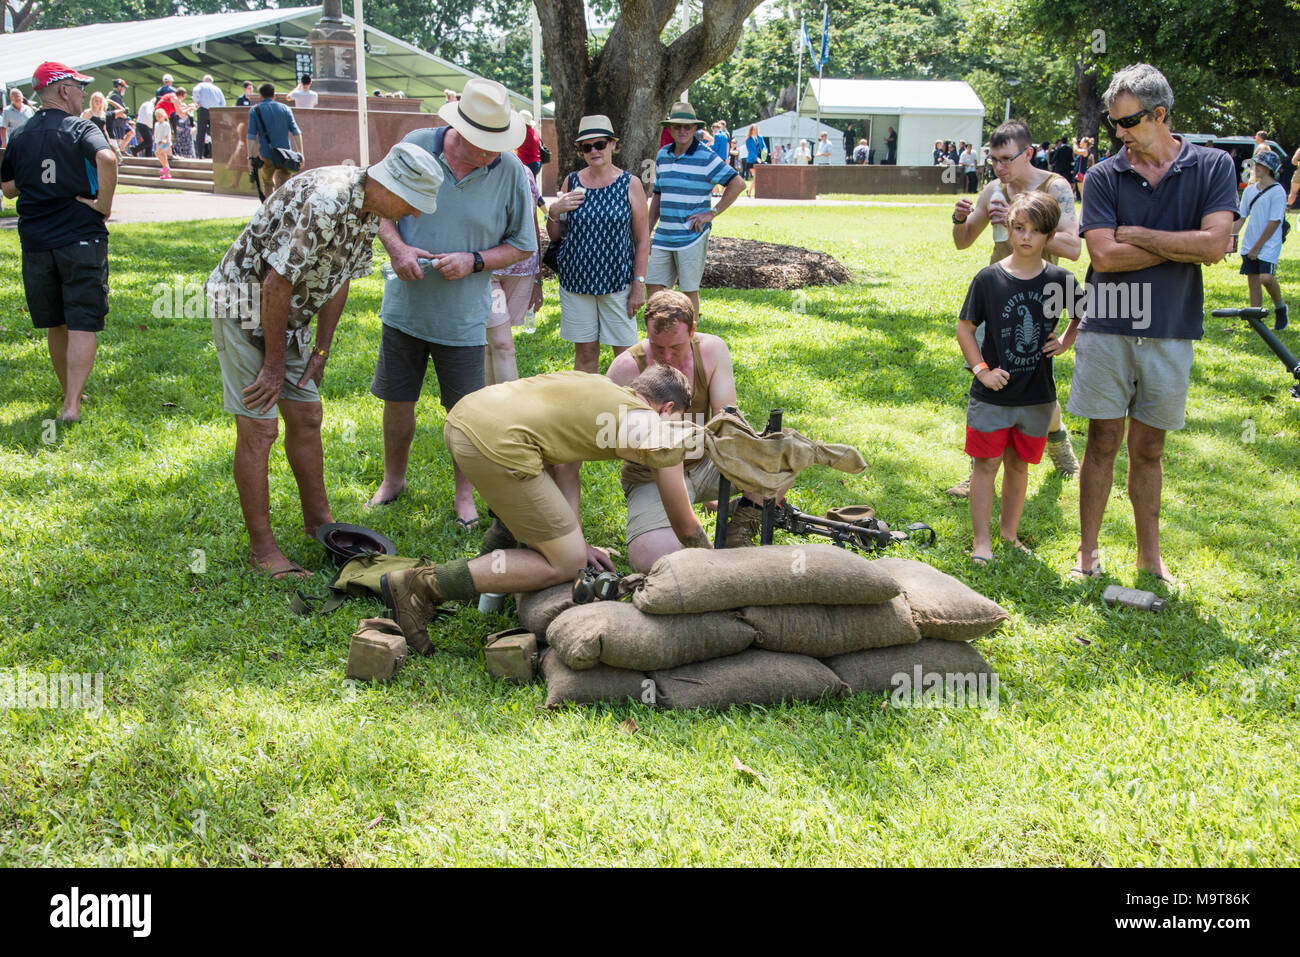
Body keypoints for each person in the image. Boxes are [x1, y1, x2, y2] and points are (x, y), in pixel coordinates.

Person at [205, 142, 443, 578]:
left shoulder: (371, 208)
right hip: (242, 302)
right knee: (260, 426)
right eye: (413, 202)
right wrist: (273, 367)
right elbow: (275, 284)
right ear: (390, 185)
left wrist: (320, 349)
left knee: (308, 415)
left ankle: (319, 524)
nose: (415, 214)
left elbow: (340, 280)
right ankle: (264, 551)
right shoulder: (327, 200)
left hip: (287, 314)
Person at [380, 365, 704, 650]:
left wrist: (578, 536)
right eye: (676, 420)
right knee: (567, 562)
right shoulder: (649, 423)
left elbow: (566, 467)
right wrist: (710, 562)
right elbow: (685, 525)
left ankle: (482, 582)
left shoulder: (599, 389)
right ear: (667, 409)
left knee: (562, 539)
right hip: (496, 443)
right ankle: (421, 586)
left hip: (466, 417)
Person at [1067, 63, 1237, 585]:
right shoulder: (1102, 175)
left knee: (1151, 449)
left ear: (1159, 115)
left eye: (1127, 122)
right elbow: (1103, 256)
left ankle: (1149, 557)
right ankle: (1087, 554)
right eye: (1112, 122)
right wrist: (1182, 244)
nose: (1116, 134)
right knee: (1101, 442)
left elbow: (1217, 245)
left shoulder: (1213, 166)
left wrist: (1138, 233)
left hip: (1171, 329)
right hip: (1107, 327)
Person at [366, 78, 536, 530]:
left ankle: (465, 497)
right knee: (397, 398)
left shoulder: (510, 171)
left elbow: (522, 243)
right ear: (459, 131)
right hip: (406, 306)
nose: (490, 154)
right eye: (483, 145)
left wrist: (475, 260)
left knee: (465, 414)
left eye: (496, 145)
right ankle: (392, 482)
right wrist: (397, 250)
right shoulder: (416, 146)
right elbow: (380, 209)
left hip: (464, 317)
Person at [950, 119, 1083, 494]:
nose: (1000, 168)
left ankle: (1058, 446)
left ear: (1028, 153)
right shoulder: (993, 188)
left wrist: (1021, 224)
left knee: (1033, 379)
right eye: (994, 160)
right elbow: (964, 241)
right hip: (998, 293)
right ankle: (981, 467)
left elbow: (1073, 248)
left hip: (1041, 295)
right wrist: (960, 218)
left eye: (1008, 159)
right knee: (991, 377)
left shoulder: (1054, 186)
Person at [957, 191, 1081, 564]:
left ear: (1048, 236)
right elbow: (965, 329)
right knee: (986, 465)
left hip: (1036, 396)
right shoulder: (989, 279)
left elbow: (1082, 312)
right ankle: (982, 542)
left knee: (1018, 465)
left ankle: (1008, 535)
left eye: (1036, 231)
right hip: (992, 396)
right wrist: (982, 370)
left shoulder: (1060, 279)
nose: (1026, 237)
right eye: (1019, 228)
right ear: (1009, 228)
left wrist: (1065, 341)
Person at [607, 290, 764, 570]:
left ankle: (740, 531)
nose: (666, 357)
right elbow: (609, 440)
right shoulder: (625, 368)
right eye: (657, 347)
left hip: (706, 462)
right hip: (651, 477)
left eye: (676, 347)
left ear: (692, 330)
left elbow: (726, 423)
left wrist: (752, 455)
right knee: (651, 559)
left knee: (784, 456)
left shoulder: (713, 350)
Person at [1, 62, 117, 425]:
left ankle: (70, 395)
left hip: (37, 239)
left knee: (57, 322)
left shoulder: (20, 135)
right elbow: (108, 158)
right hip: (81, 235)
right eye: (79, 87)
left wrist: (38, 181)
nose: (83, 93)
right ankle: (72, 404)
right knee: (82, 321)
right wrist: (103, 205)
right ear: (63, 90)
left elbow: (7, 189)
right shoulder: (82, 127)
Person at [547, 114, 649, 374]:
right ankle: (586, 412)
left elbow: (642, 239)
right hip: (576, 281)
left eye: (600, 144)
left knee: (626, 357)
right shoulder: (572, 181)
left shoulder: (630, 183)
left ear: (613, 145)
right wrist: (554, 211)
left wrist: (638, 283)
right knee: (585, 355)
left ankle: (629, 411)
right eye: (586, 146)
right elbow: (557, 236)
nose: (594, 151)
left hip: (617, 281)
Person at [647, 102, 744, 321]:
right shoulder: (662, 154)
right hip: (663, 235)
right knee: (653, 289)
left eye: (688, 127)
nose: (682, 131)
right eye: (678, 126)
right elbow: (658, 196)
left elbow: (737, 183)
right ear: (670, 129)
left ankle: (689, 343)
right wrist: (647, 230)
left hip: (692, 236)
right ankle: (659, 340)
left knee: (689, 292)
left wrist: (712, 213)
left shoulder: (706, 156)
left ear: (694, 129)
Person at [485, 169, 544, 385]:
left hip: (522, 271)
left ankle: (488, 409)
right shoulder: (476, 169)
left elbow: (533, 224)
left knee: (493, 344)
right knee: (502, 344)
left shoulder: (525, 172)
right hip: (488, 270)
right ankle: (509, 411)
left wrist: (538, 278)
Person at [1233, 150, 1289, 331]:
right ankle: (1255, 319)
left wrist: (1257, 248)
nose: (1254, 168)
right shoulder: (1249, 191)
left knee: (1266, 277)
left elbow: (1274, 222)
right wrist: (1230, 239)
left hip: (1268, 244)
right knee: (1253, 280)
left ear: (1268, 168)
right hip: (1250, 242)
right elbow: (1241, 217)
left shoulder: (1278, 192)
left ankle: (1280, 308)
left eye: (1258, 165)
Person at [246, 83, 303, 196]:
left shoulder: (255, 110)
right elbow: (296, 132)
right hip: (285, 155)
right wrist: (301, 153)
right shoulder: (285, 109)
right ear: (274, 94)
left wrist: (250, 156)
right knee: (285, 184)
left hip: (266, 154)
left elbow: (251, 136)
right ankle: (284, 208)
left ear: (260, 96)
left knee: (268, 182)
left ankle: (270, 209)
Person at [191, 74, 226, 159]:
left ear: (204, 80)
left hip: (203, 110)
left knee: (201, 133)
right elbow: (223, 103)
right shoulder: (217, 89)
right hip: (215, 111)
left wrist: (197, 101)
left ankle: (200, 154)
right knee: (215, 134)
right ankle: (216, 154)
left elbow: (195, 90)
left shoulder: (201, 85)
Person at [514, 109, 543, 182]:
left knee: (528, 187)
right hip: (536, 162)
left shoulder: (523, 131)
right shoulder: (533, 131)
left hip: (527, 162)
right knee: (532, 184)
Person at [107, 79, 132, 157]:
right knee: (116, 141)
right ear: (119, 87)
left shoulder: (116, 95)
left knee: (131, 132)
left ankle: (122, 150)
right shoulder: (115, 96)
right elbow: (118, 111)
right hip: (116, 122)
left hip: (121, 122)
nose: (124, 89)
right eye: (123, 87)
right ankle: (114, 157)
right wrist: (125, 116)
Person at [171, 88, 196, 159]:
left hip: (188, 136)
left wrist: (192, 129)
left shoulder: (189, 117)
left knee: (189, 150)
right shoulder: (176, 117)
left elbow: (193, 125)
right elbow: (174, 125)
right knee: (179, 149)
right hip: (179, 136)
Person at [153, 107, 173, 179]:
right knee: (163, 157)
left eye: (160, 116)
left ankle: (166, 167)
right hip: (159, 141)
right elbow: (156, 134)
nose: (158, 118)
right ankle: (167, 173)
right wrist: (155, 141)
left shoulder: (166, 124)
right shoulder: (156, 124)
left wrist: (165, 140)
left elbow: (167, 134)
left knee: (157, 153)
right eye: (157, 117)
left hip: (165, 142)